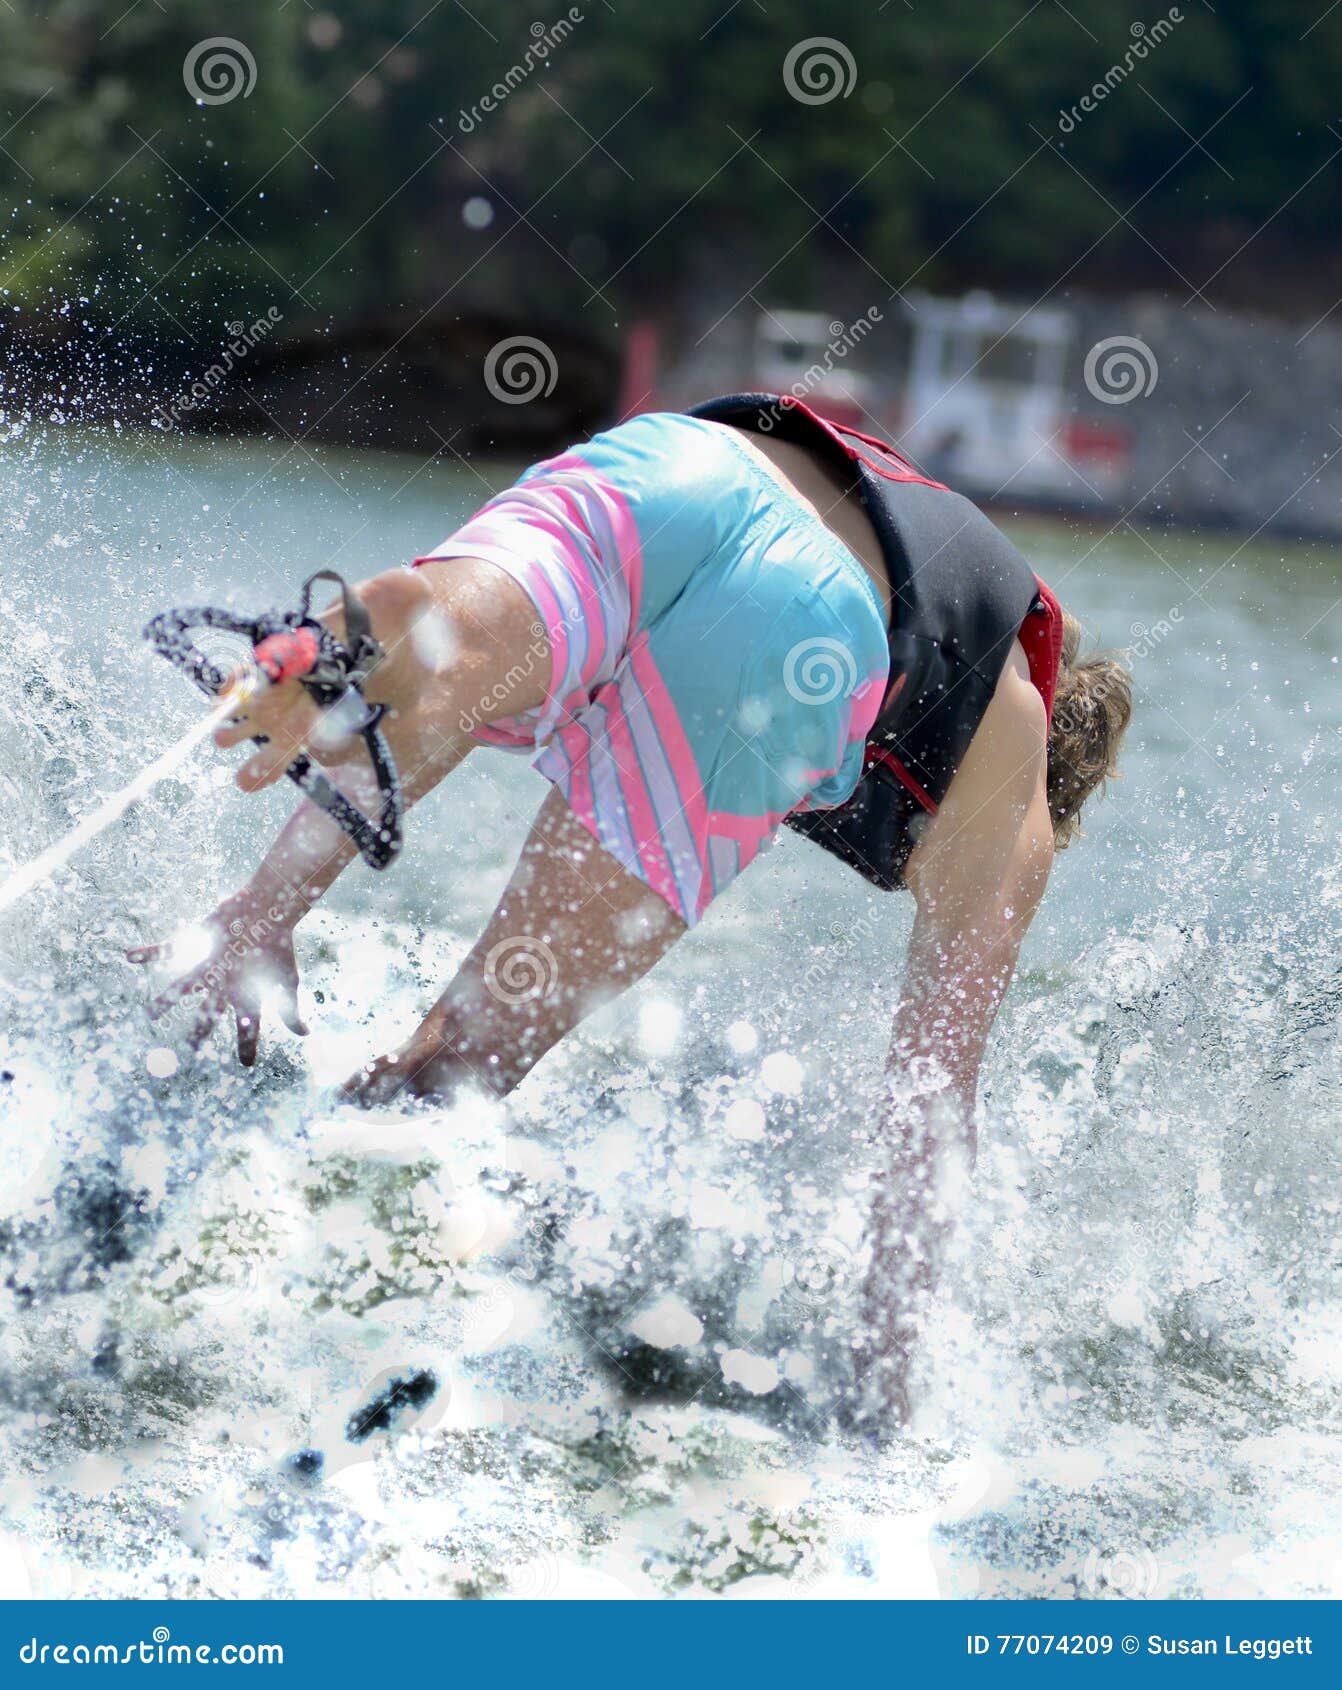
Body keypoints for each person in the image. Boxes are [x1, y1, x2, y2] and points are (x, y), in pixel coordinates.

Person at [128, 393, 1131, 1420]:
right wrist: (889, 1376)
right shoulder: (1013, 769)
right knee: (457, 1065)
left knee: (472, 655)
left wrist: (267, 910)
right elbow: (929, 1108)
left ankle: (374, 680)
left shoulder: (914, 513)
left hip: (684, 466)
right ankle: (268, 1288)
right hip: (804, 621)